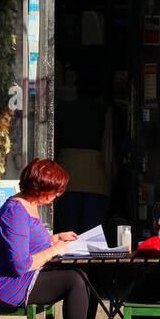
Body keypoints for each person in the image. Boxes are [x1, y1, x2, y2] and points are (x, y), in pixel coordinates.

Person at [0, 158, 103, 319]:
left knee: (85, 275)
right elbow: (21, 264)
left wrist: (56, 238)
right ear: (39, 189)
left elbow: (30, 242)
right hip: (6, 284)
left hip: (23, 277)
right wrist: (55, 250)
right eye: (55, 191)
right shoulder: (15, 212)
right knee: (75, 280)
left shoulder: (30, 206)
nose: (58, 195)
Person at [54, 66, 115, 235]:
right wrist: (111, 173)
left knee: (68, 229)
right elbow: (107, 146)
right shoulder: (104, 112)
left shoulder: (62, 110)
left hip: (66, 172)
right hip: (96, 174)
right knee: (92, 233)